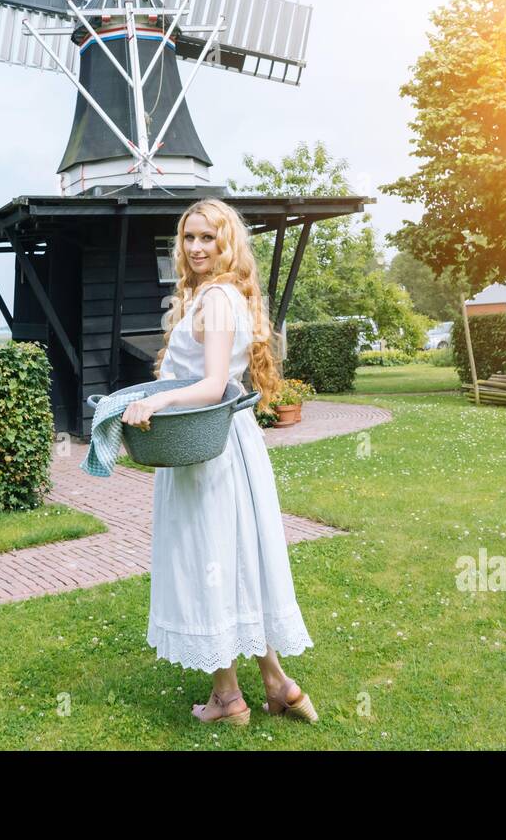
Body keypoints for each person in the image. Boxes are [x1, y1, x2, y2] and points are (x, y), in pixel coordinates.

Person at [121, 198, 317, 726]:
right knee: (230, 560)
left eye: (209, 237)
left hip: (208, 450)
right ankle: (278, 684)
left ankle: (229, 698)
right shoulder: (217, 296)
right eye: (189, 238)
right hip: (220, 445)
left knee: (208, 558)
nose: (198, 247)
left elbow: (211, 386)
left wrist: (155, 400)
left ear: (227, 242)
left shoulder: (216, 300)